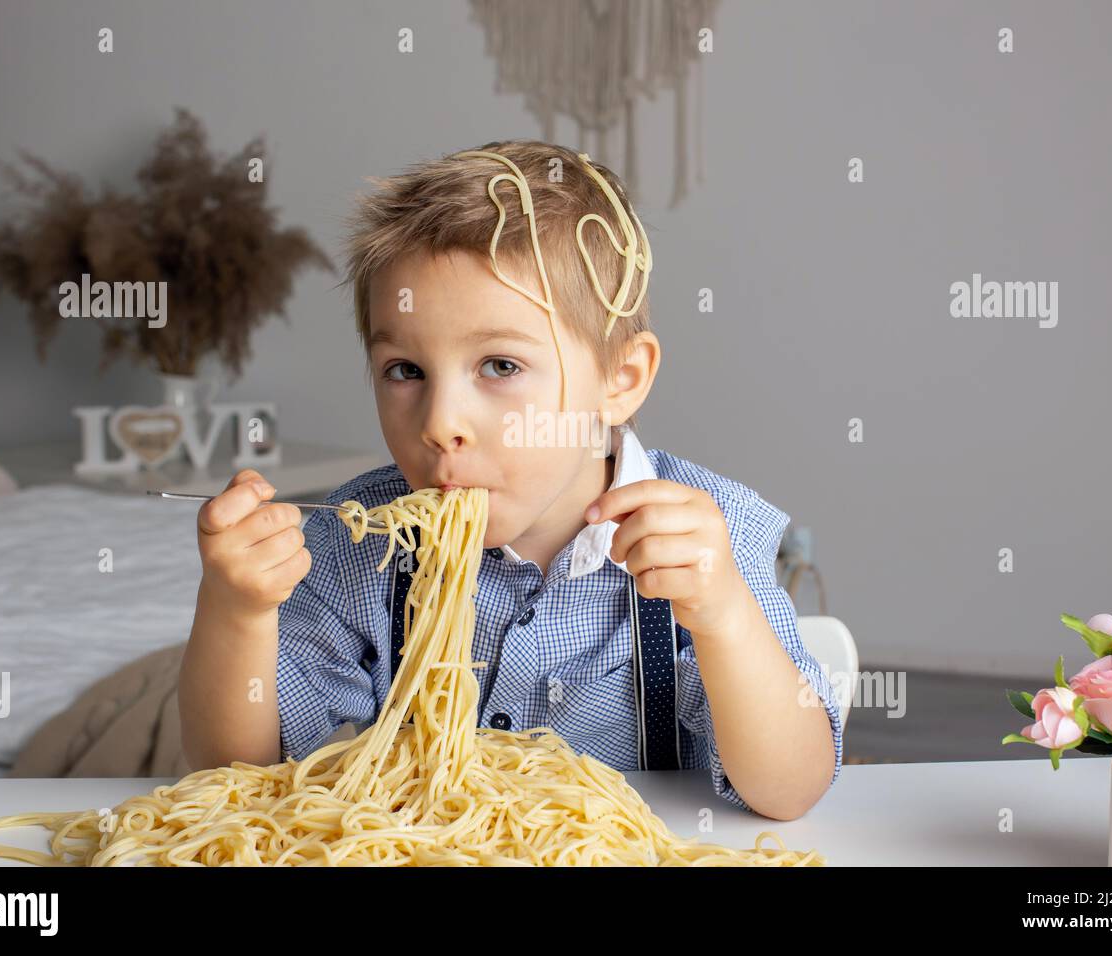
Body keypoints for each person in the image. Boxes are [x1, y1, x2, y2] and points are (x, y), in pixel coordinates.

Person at [178, 139, 842, 820]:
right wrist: (235, 613)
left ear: (621, 380)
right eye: (406, 371)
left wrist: (724, 614)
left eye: (499, 366)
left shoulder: (708, 536)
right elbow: (238, 775)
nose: (441, 423)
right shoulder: (359, 539)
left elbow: (790, 789)